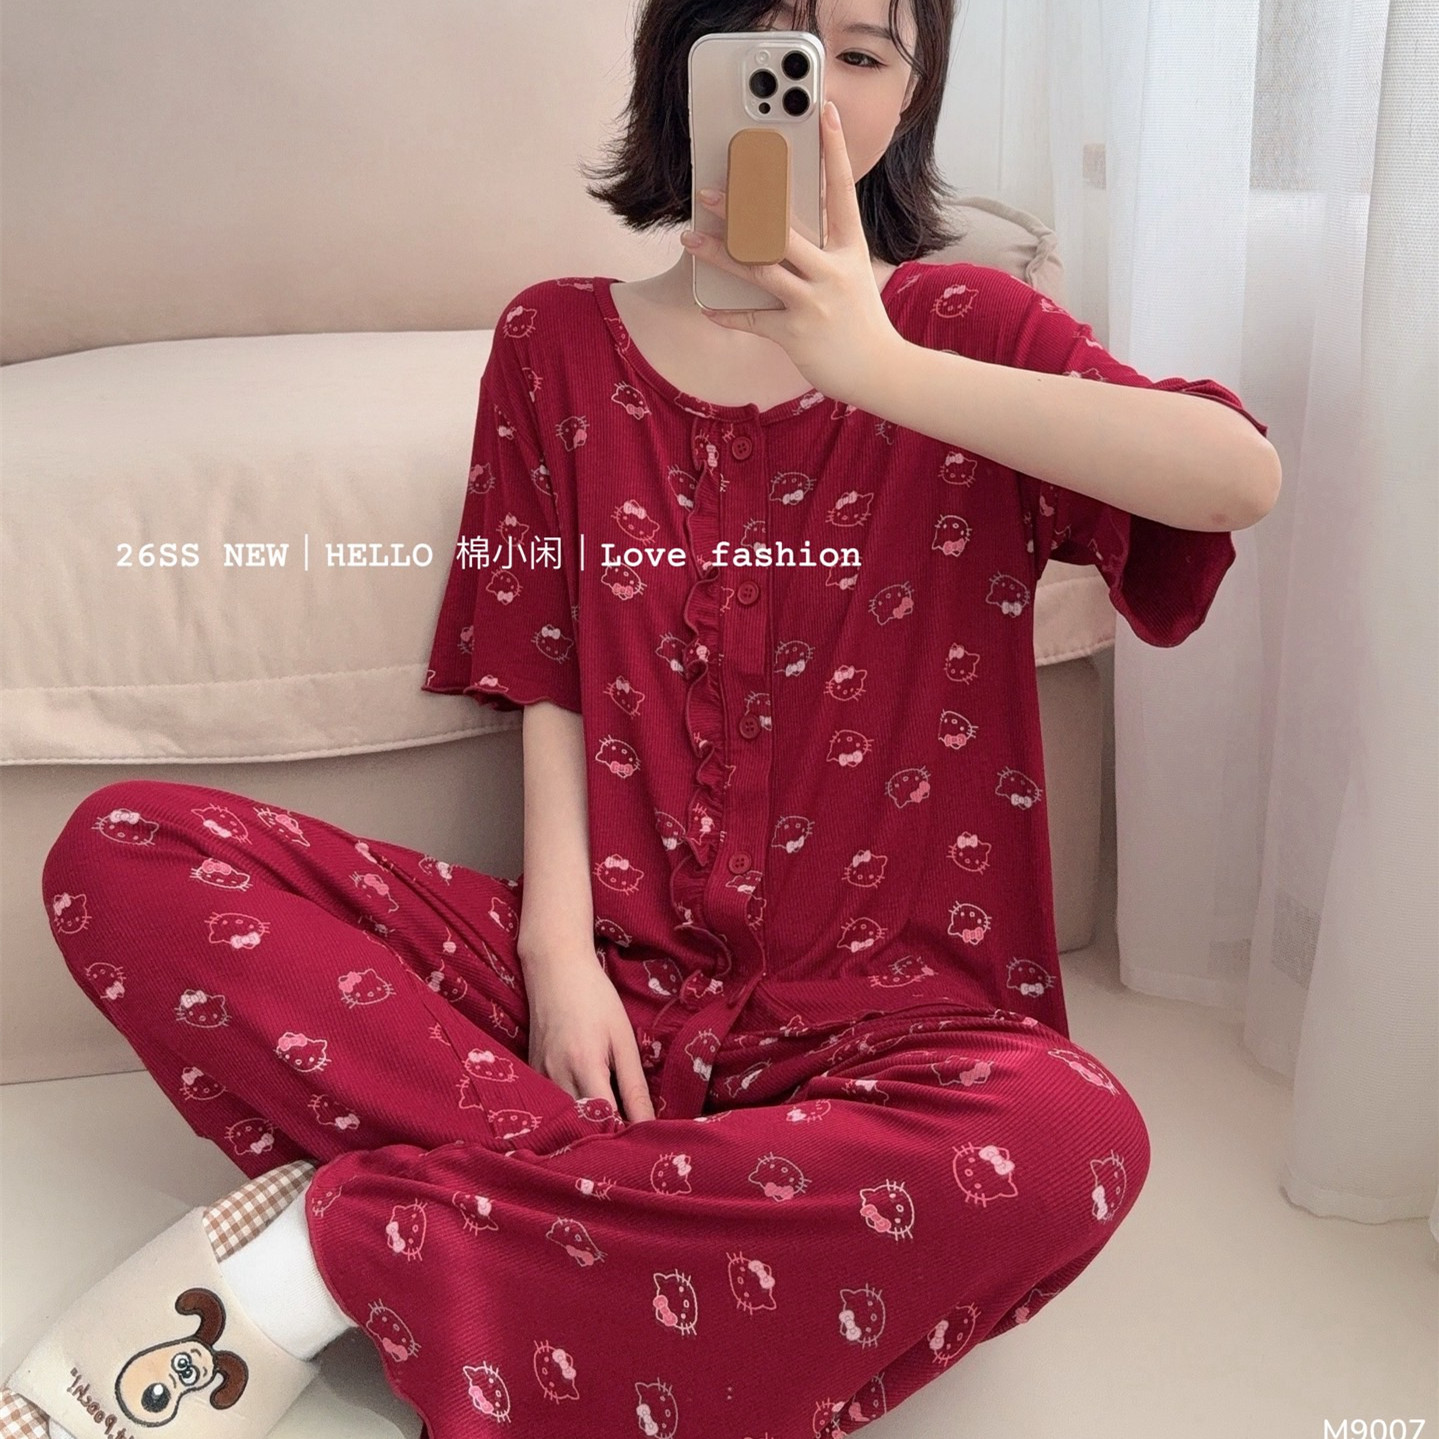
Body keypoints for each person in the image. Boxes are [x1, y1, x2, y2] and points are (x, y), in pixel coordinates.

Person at [4, 2, 1280, 1437]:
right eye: (767, 46)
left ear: (912, 100)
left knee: (1070, 1142)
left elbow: (1235, 478)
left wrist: (882, 370)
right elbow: (541, 660)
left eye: (864, 55)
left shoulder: (967, 332)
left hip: (894, 1025)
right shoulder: (552, 341)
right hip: (598, 991)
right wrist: (558, 958)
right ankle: (639, 1232)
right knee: (125, 851)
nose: (816, 90)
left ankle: (329, 1254)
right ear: (680, 68)